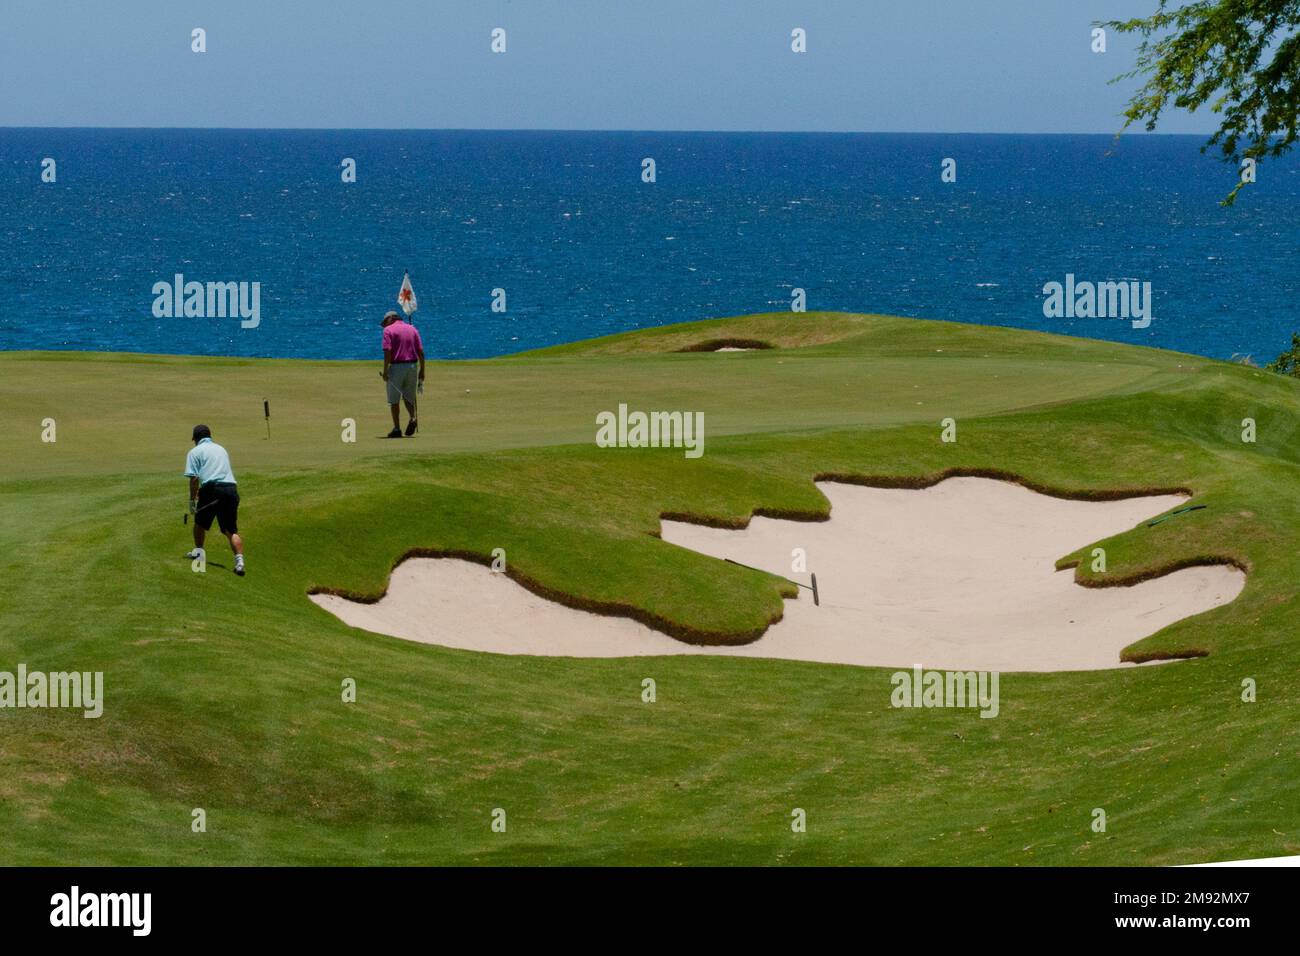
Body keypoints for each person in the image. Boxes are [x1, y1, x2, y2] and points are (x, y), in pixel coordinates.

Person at [184, 424, 245, 576]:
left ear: (195, 439)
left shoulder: (195, 452)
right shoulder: (221, 449)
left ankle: (199, 554)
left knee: (199, 523)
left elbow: (194, 478)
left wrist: (192, 501)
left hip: (211, 490)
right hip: (231, 489)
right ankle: (240, 562)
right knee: (230, 529)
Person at [381, 310, 425, 437]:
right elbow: (420, 351)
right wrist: (422, 370)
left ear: (391, 318)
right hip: (412, 366)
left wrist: (385, 370)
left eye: (385, 322)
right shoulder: (412, 329)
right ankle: (412, 418)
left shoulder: (388, 331)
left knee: (394, 400)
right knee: (408, 397)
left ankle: (397, 429)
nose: (385, 325)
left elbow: (387, 352)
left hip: (396, 367)